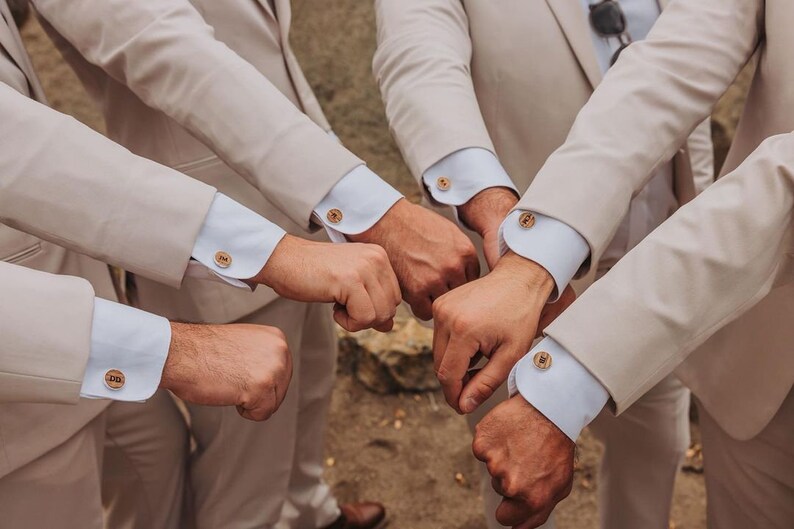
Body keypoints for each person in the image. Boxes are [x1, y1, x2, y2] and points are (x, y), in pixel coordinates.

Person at [29, 0, 480, 527]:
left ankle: (309, 511)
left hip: (303, 201)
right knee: (246, 466)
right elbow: (164, 47)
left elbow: (266, 53)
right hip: (206, 224)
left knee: (310, 384)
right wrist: (373, 212)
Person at [432, 0, 794, 527]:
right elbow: (671, 66)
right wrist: (531, 263)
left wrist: (563, 381)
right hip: (760, 357)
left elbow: (782, 194)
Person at [373, 1, 713, 527]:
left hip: (659, 248)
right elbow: (419, 58)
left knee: (658, 445)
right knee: (516, 471)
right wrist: (494, 209)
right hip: (512, 263)